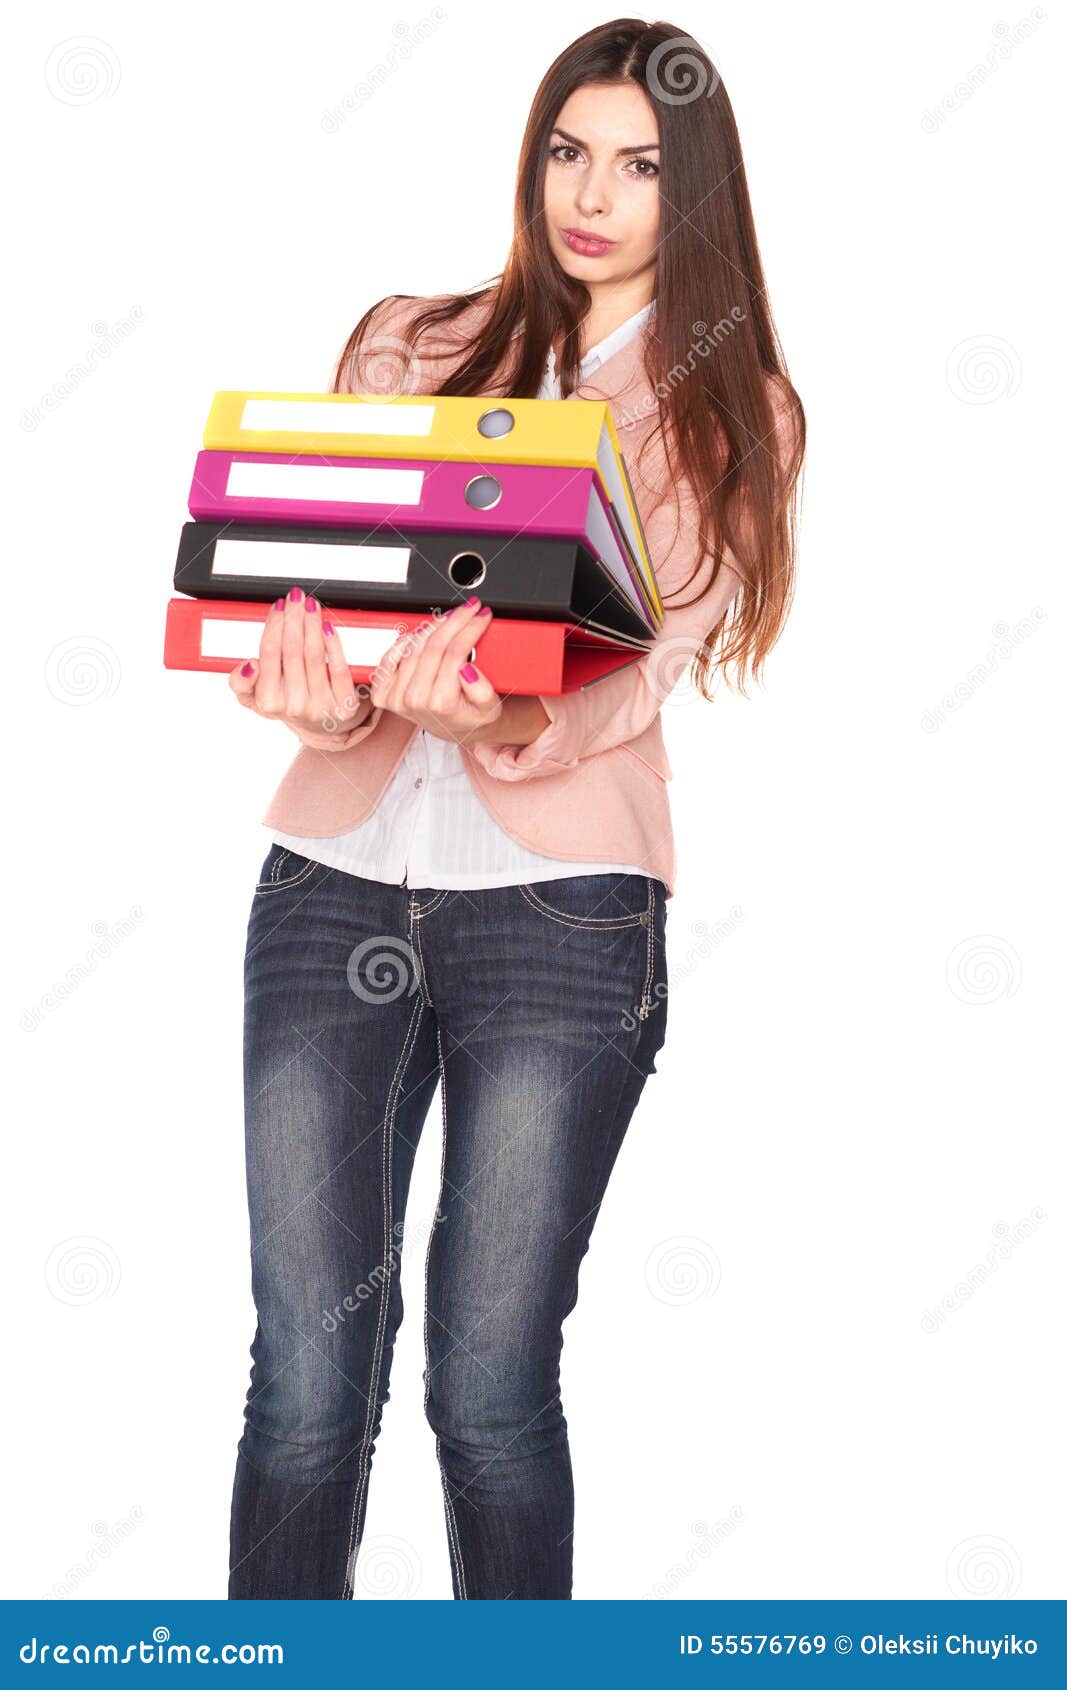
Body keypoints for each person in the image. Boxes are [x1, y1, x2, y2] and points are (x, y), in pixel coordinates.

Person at [225, 19, 804, 1600]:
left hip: (561, 919)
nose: (592, 195)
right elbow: (327, 608)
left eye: (640, 165)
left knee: (485, 1392)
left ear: (698, 196)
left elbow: (643, 670)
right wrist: (311, 688)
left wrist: (508, 720)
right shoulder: (411, 342)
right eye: (568, 150)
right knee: (302, 1386)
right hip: (335, 880)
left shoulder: (729, 407)